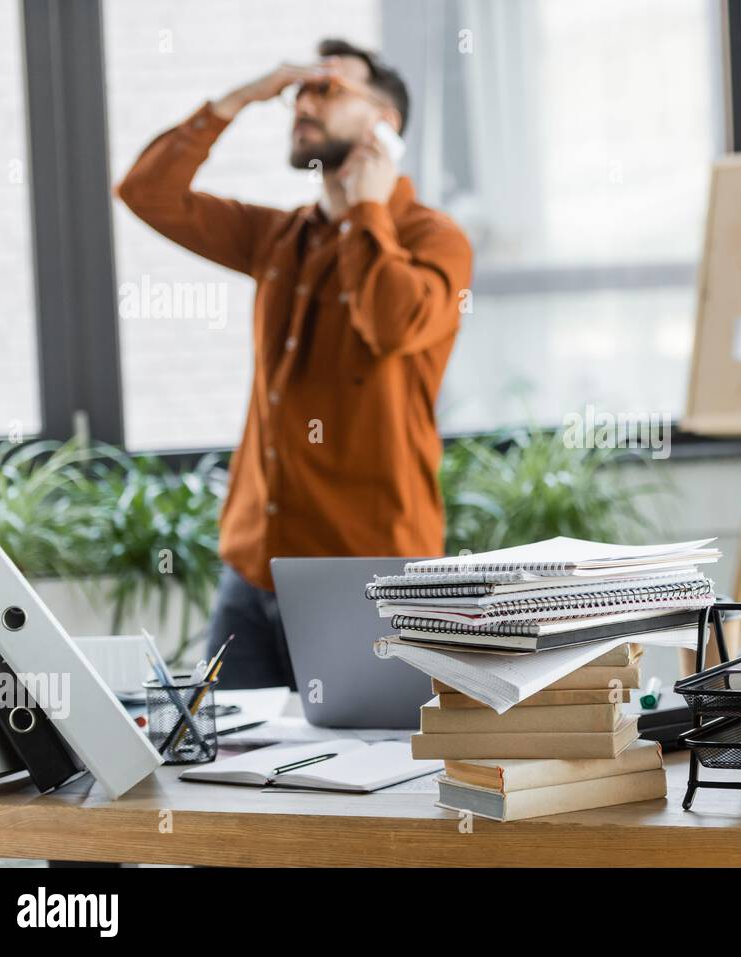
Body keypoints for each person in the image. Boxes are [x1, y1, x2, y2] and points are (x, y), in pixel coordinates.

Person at [116, 39, 473, 688]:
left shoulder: (434, 239)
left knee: (369, 776)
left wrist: (367, 206)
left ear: (382, 125)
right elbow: (146, 191)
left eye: (328, 90)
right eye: (297, 92)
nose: (303, 102)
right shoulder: (278, 238)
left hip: (366, 580)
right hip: (250, 572)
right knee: (221, 777)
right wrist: (240, 97)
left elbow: (390, 323)